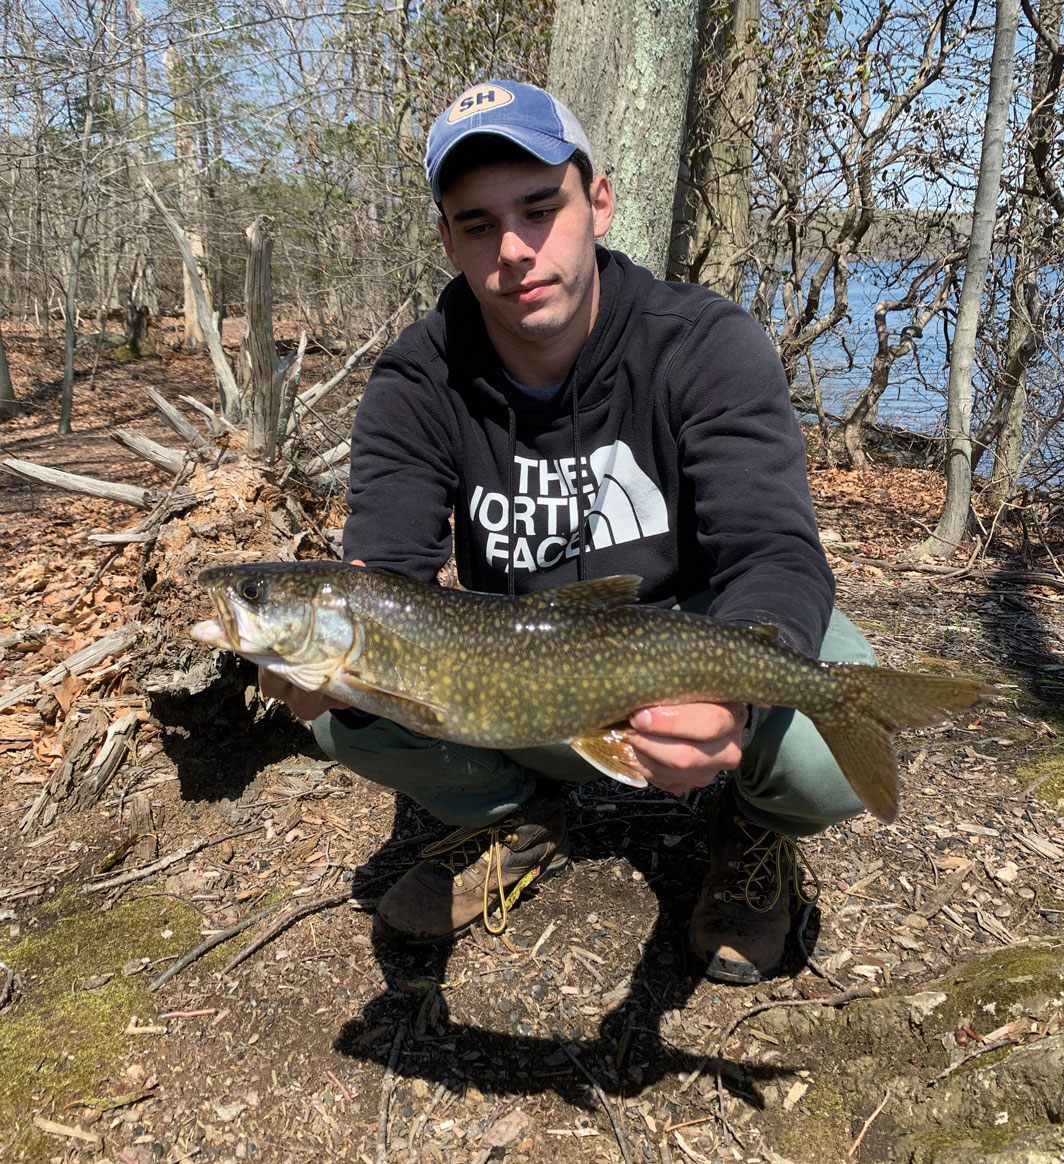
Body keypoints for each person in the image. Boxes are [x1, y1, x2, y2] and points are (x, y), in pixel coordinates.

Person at [261, 79, 875, 985]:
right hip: (519, 667)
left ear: (598, 202)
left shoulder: (704, 344)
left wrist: (735, 702)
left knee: (827, 756)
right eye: (477, 224)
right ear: (447, 240)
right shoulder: (416, 382)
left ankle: (754, 827)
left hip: (684, 646)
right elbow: (382, 573)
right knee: (348, 715)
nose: (514, 249)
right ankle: (515, 812)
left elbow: (774, 552)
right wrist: (328, 674)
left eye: (541, 208)